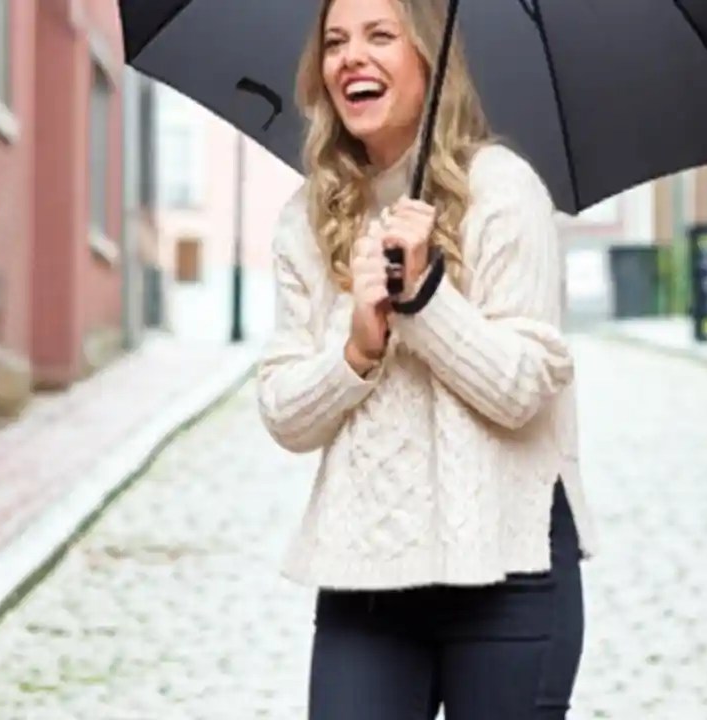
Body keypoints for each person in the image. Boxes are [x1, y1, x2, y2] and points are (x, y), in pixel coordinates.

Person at [255, 0, 597, 716]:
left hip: (509, 563)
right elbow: (285, 413)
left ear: (430, 60)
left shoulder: (502, 192)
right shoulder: (308, 216)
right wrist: (356, 348)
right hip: (367, 571)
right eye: (335, 42)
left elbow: (523, 388)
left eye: (381, 36)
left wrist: (425, 295)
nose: (352, 57)